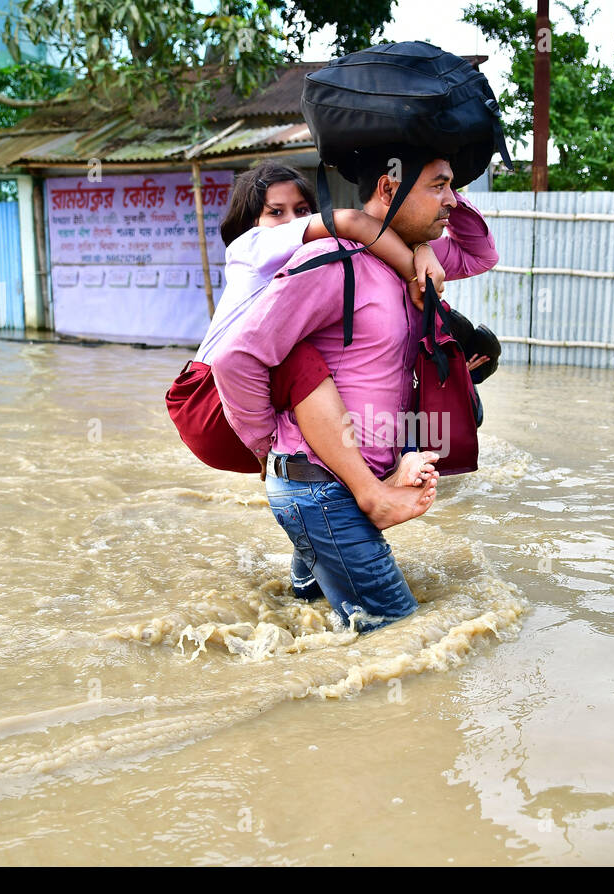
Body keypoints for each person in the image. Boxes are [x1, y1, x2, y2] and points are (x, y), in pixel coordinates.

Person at [212, 146, 499, 631]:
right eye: (438, 186)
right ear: (388, 188)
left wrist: (428, 238)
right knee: (401, 635)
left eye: (453, 187)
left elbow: (480, 252)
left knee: (308, 612)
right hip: (322, 488)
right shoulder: (332, 262)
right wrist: (266, 447)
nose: (451, 199)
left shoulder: (410, 260)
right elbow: (236, 358)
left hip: (347, 482)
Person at [166, 162, 450, 534]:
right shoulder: (252, 246)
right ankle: (369, 493)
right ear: (250, 222)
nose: (291, 221)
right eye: (276, 212)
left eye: (301, 211)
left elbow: (477, 253)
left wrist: (424, 247)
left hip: (244, 393)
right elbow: (351, 221)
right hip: (208, 399)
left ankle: (307, 572)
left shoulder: (318, 263)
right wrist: (414, 269)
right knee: (299, 359)